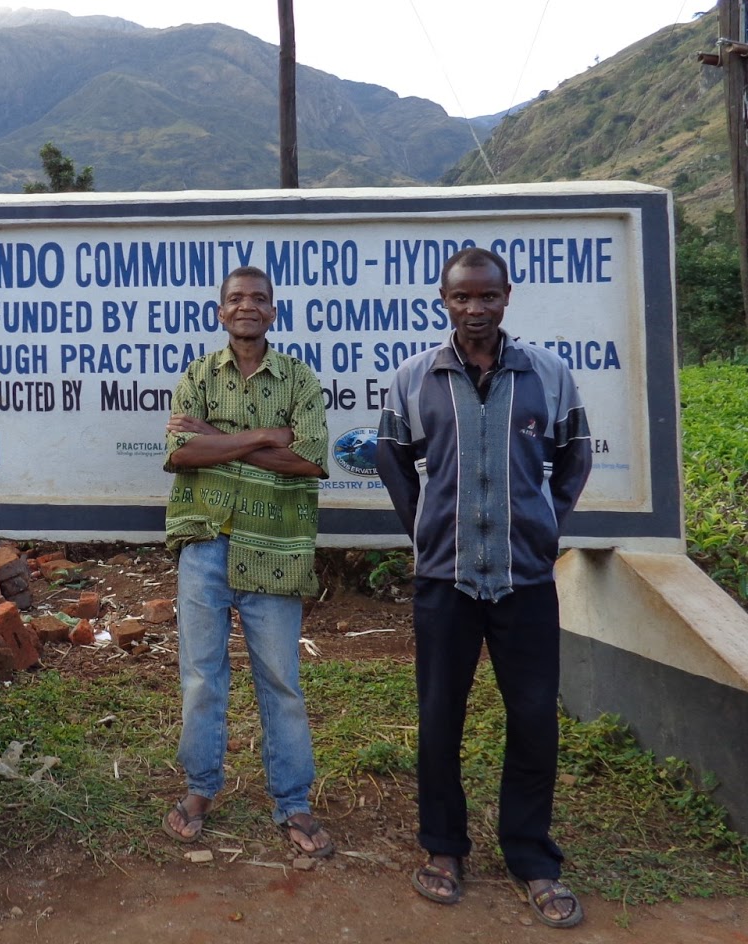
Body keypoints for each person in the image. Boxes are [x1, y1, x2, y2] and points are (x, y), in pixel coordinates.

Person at [376, 246, 591, 929]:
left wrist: (545, 524)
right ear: (444, 301)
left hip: (525, 580)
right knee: (440, 718)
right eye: (462, 298)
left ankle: (531, 857)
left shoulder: (547, 375)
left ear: (507, 298)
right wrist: (424, 529)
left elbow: (576, 454)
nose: (475, 309)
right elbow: (392, 458)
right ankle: (444, 849)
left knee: (533, 720)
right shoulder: (415, 378)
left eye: (487, 297)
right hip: (447, 580)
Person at [159, 265, 334, 858]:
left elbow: (310, 460)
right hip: (205, 543)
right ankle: (201, 790)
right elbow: (182, 452)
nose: (247, 307)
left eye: (259, 298)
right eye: (236, 299)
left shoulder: (299, 379)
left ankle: (294, 801)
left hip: (275, 547)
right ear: (220, 311)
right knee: (202, 676)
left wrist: (220, 438)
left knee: (281, 680)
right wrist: (266, 438)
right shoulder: (198, 375)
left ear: (273, 311)